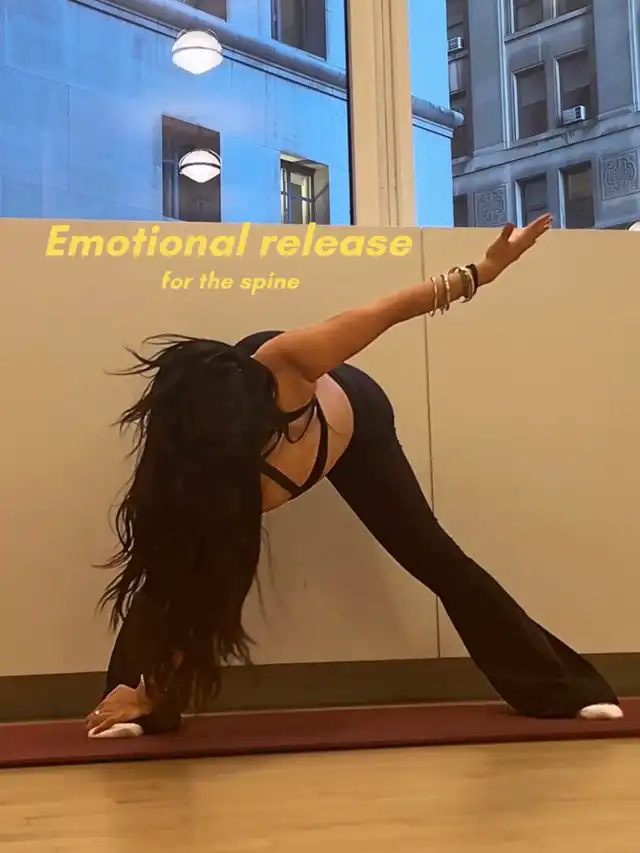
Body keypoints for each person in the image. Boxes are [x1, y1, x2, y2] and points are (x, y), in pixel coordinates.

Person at [86, 215, 622, 738]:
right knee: (177, 570)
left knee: (433, 554)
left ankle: (560, 688)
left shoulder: (289, 359)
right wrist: (150, 686)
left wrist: (483, 270)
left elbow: (390, 309)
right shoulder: (209, 476)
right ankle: (133, 704)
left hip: (354, 419)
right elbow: (198, 589)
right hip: (257, 454)